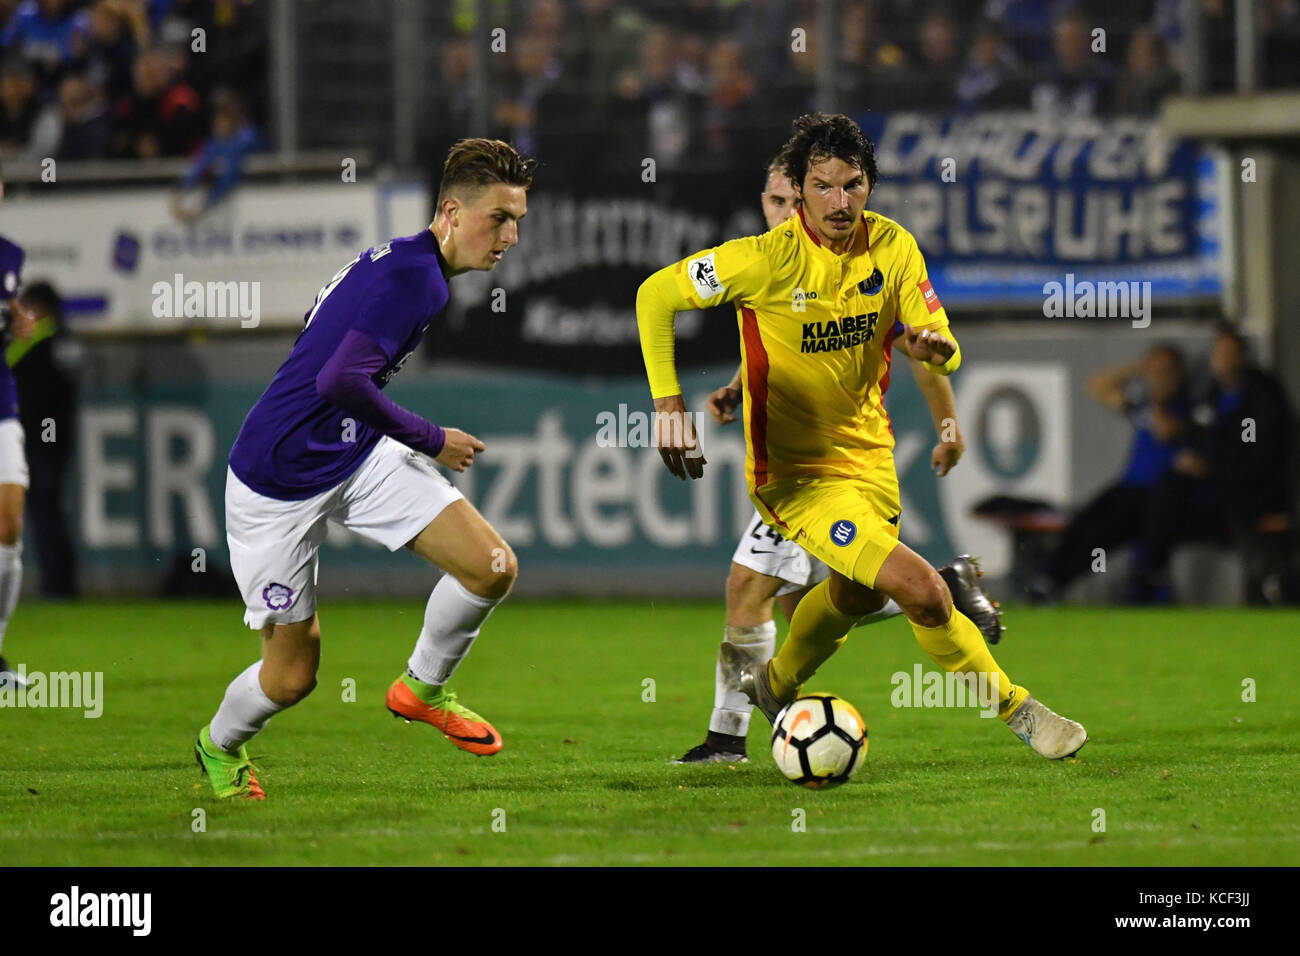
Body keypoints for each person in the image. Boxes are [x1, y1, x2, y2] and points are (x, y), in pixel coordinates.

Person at [637, 113, 1086, 760]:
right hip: (797, 477)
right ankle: (1022, 713)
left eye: (852, 185)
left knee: (855, 593)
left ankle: (774, 684)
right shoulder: (761, 260)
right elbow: (655, 295)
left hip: (871, 463)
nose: (839, 202)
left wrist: (938, 349)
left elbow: (940, 343)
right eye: (822, 187)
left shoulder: (893, 247)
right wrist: (668, 405)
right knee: (922, 592)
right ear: (799, 189)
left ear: (869, 185)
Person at [194, 138, 535, 800]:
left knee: (491, 566)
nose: (511, 236)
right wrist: (432, 438)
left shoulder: (406, 264)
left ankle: (422, 688)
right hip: (277, 480)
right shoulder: (417, 279)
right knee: (292, 677)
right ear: (450, 211)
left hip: (354, 450)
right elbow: (338, 380)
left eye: (518, 219)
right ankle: (218, 745)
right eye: (499, 218)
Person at [675, 153, 1003, 765]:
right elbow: (785, 350)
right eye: (771, 203)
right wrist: (738, 385)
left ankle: (726, 740)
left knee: (754, 588)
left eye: (786, 202)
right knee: (808, 603)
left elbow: (916, 345)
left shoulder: (855, 263)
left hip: (823, 465)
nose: (780, 214)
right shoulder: (777, 264)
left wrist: (949, 425)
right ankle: (941, 586)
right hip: (797, 457)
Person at [1136, 328, 1297, 601]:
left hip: (1251, 496)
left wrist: (1211, 467)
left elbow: (1258, 455)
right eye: (1218, 353)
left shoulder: (1262, 398)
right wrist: (1194, 458)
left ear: (1243, 357)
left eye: (1228, 354)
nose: (1221, 360)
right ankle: (1151, 573)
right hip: (1216, 493)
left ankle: (1271, 588)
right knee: (1166, 488)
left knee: (1173, 494)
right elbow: (1199, 434)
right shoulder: (1210, 395)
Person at [1032, 344, 1191, 602]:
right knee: (1085, 520)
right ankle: (1050, 579)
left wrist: (1158, 398)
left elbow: (1165, 430)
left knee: (1105, 533)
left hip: (1157, 496)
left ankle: (1140, 588)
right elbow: (1097, 386)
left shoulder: (1184, 406)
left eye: (1164, 371)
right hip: (1128, 487)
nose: (1157, 377)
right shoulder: (1143, 406)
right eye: (1154, 370)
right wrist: (1137, 369)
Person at [8, 280, 79, 598]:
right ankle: (58, 582)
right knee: (45, 509)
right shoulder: (62, 340)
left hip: (41, 441)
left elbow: (43, 396)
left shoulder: (40, 341)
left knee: (43, 508)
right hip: (48, 439)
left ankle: (58, 584)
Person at [0, 172, 40, 687]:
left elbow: (9, 317)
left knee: (9, 523)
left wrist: (16, 322)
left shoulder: (10, 255)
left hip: (1, 403)